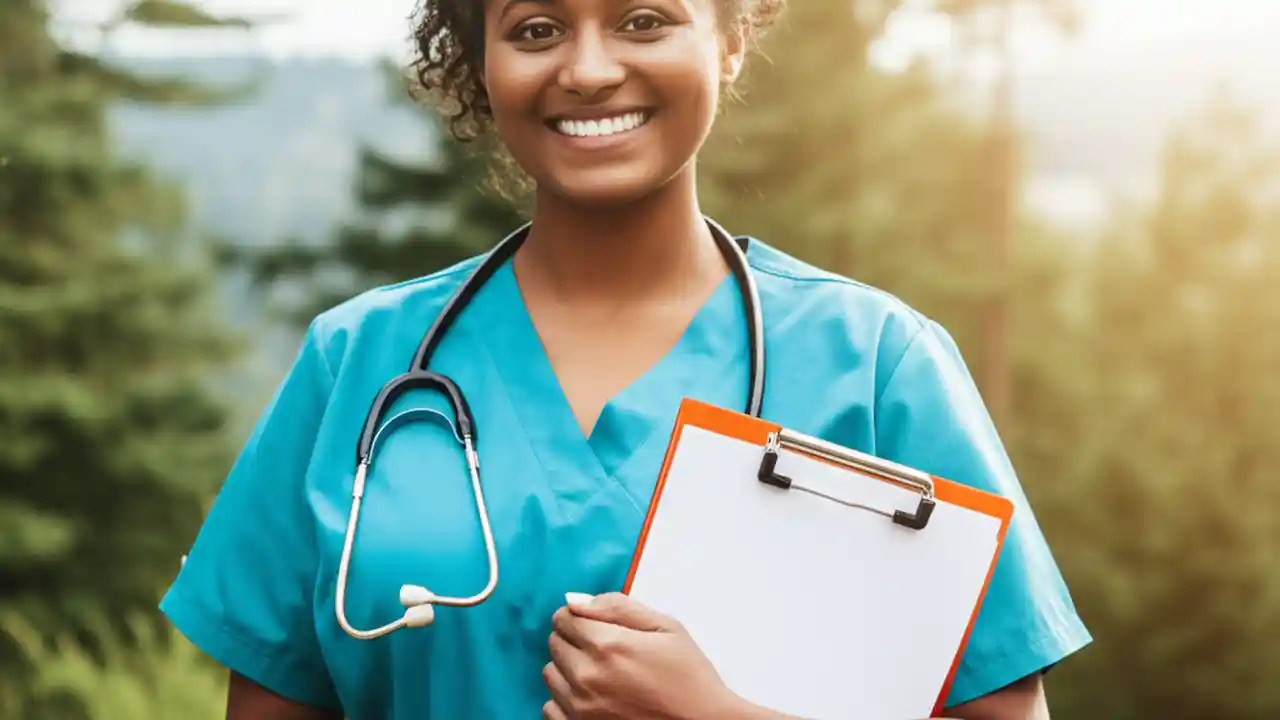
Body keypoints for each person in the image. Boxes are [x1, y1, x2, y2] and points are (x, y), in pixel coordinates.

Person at [160, 0, 1091, 717]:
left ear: (728, 39)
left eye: (643, 19)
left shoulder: (881, 371)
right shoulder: (356, 367)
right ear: (483, 61)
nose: (590, 68)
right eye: (536, 28)